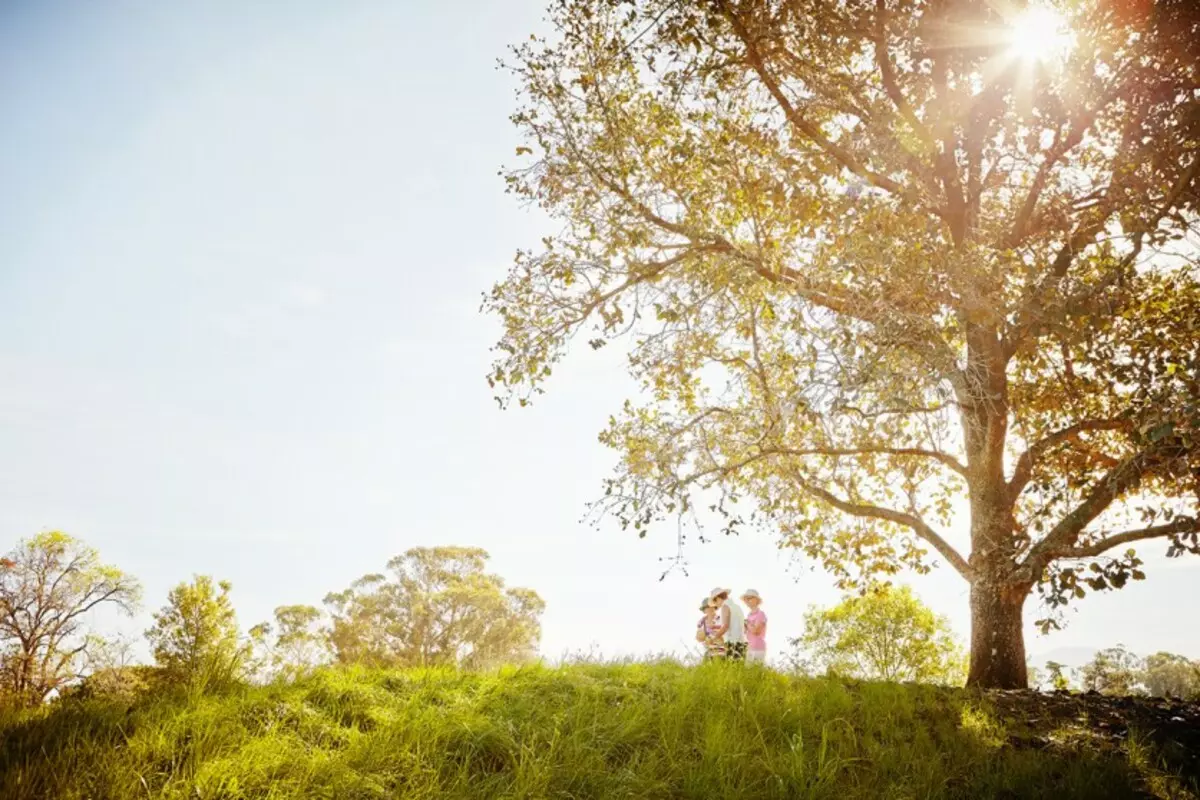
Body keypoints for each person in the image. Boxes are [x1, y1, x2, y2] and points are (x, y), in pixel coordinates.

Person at [710, 587, 747, 662]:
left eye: (715, 601)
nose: (716, 604)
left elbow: (725, 626)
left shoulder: (725, 607)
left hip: (732, 644)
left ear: (718, 598)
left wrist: (714, 638)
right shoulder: (737, 607)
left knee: (731, 668)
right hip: (742, 643)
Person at [742, 589, 767, 665]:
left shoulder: (761, 614)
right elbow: (746, 632)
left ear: (756, 600)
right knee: (748, 673)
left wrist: (747, 623)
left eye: (750, 598)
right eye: (746, 599)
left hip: (758, 647)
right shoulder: (749, 615)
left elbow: (756, 631)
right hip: (750, 647)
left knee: (756, 673)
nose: (748, 600)